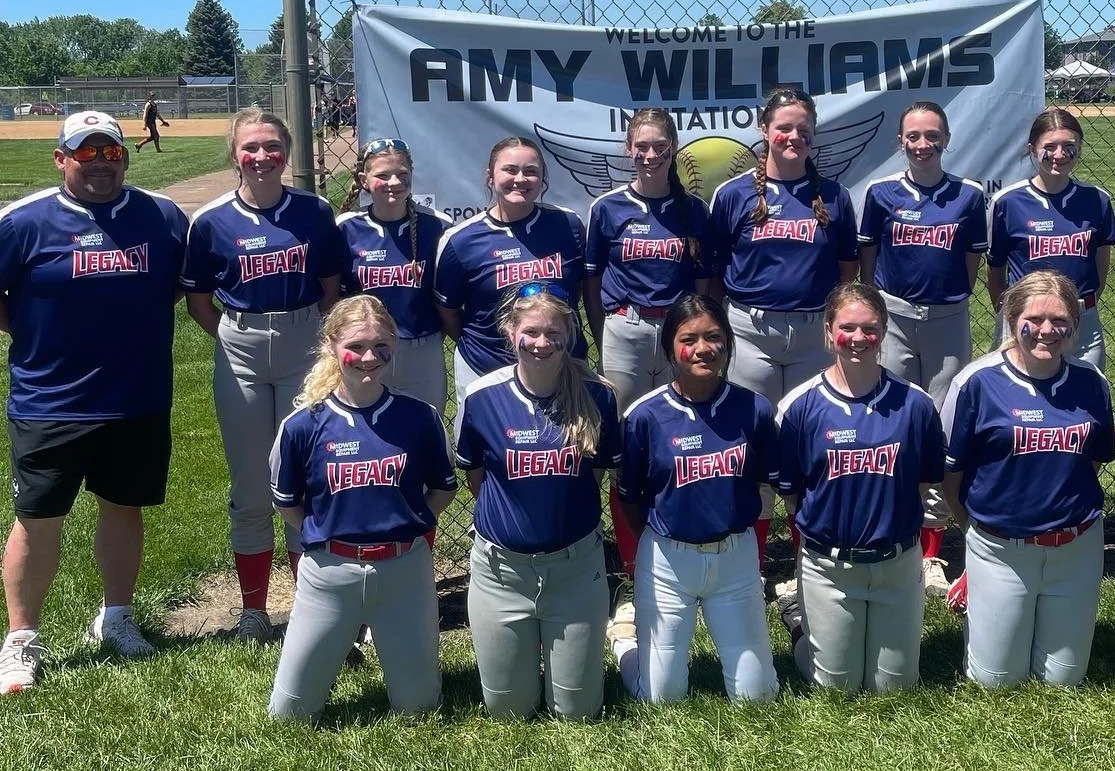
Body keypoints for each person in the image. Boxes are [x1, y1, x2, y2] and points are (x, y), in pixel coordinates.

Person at [0, 112, 189, 694]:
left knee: (123, 507)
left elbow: (184, 286)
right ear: (62, 159)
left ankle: (117, 617)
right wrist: (32, 340)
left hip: (136, 396)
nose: (101, 162)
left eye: (110, 151)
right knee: (37, 519)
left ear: (125, 156)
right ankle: (21, 639)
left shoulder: (161, 216)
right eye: (86, 153)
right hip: (49, 399)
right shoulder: (23, 222)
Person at [181, 109, 348, 642]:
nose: (261, 156)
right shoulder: (211, 220)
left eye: (272, 146)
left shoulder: (314, 211)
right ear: (234, 154)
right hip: (242, 347)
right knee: (253, 482)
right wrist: (238, 337)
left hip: (305, 341)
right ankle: (253, 611)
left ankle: (311, 605)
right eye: (250, 147)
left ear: (287, 152)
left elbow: (330, 288)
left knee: (307, 475)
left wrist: (311, 341)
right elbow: (199, 302)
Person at [267, 295, 457, 722]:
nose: (369, 357)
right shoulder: (302, 425)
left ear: (394, 344)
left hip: (403, 572)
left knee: (419, 710)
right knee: (288, 716)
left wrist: (406, 525)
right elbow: (289, 507)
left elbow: (442, 491)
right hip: (330, 574)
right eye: (356, 345)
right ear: (332, 347)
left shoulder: (420, 418)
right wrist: (338, 534)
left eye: (380, 346)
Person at [940, 271, 1113, 688]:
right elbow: (950, 475)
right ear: (1012, 317)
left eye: (1060, 320)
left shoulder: (1091, 383)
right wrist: (977, 532)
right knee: (995, 682)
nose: (1046, 331)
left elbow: (1093, 461)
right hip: (1001, 548)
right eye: (1034, 319)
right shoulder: (977, 382)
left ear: (1075, 324)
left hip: (1076, 545)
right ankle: (983, 595)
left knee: (1064, 681)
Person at [454, 283, 620, 720]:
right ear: (510, 333)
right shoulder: (481, 398)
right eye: (530, 331)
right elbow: (478, 477)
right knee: (509, 711)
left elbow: (595, 475)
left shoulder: (599, 396)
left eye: (553, 332)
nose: (541, 342)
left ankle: (624, 641)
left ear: (569, 335)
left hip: (575, 569)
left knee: (578, 713)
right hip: (501, 572)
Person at [711, 86, 859, 564]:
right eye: (784, 128)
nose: (793, 137)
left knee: (807, 444)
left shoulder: (833, 196)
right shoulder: (732, 195)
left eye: (803, 131)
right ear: (765, 131)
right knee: (751, 443)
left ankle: (807, 560)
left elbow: (846, 274)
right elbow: (714, 274)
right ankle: (749, 564)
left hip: (814, 332)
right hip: (750, 332)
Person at [774, 283, 945, 694]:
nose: (858, 339)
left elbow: (923, 483)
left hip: (897, 564)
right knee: (836, 688)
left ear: (883, 331)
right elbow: (793, 495)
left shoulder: (915, 404)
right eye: (847, 327)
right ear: (828, 331)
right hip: (829, 567)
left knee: (895, 688)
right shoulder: (799, 407)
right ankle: (799, 620)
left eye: (870, 328)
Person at [607, 293, 779, 703]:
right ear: (670, 347)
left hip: (735, 558)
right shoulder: (644, 416)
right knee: (660, 697)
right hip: (668, 559)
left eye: (714, 337)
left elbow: (763, 481)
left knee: (757, 696)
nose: (703, 348)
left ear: (728, 342)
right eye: (689, 339)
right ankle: (624, 643)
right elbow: (629, 497)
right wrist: (656, 544)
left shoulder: (752, 408)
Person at [858, 100, 988, 596]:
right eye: (913, 135)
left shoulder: (969, 195)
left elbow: (973, 263)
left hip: (947, 318)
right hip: (893, 317)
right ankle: (891, 530)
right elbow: (869, 258)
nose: (922, 144)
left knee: (939, 427)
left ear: (946, 138)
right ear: (900, 141)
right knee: (888, 422)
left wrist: (945, 305)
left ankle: (931, 553)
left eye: (932, 135)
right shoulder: (881, 192)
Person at [583, 108, 715, 581]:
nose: (651, 154)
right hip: (627, 328)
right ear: (627, 150)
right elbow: (592, 283)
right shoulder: (608, 208)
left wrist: (698, 335)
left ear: (674, 148)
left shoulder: (693, 210)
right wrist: (606, 334)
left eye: (660, 145)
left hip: (678, 331)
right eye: (642, 145)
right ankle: (630, 561)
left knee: (684, 434)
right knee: (626, 442)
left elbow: (705, 284)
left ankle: (683, 543)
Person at [435, 137, 587, 396]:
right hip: (486, 368)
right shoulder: (461, 240)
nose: (520, 179)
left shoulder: (567, 224)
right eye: (510, 170)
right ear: (490, 177)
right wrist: (485, 344)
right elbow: (447, 310)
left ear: (542, 179)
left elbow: (578, 289)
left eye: (530, 171)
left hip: (561, 363)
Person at [987, 107, 1115, 370]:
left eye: (1068, 146)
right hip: (1026, 318)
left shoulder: (1097, 199)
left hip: (1082, 319)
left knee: (1086, 399)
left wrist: (1082, 306)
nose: (1059, 155)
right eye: (1050, 146)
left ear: (1079, 149)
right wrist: (1010, 313)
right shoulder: (1007, 202)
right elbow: (995, 271)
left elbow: (1100, 263)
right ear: (1031, 149)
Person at [338, 137, 452, 413]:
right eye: (383, 175)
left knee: (426, 424)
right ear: (364, 179)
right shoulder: (346, 228)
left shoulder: (437, 226)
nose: (394, 182)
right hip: (365, 350)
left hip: (420, 347)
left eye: (403, 174)